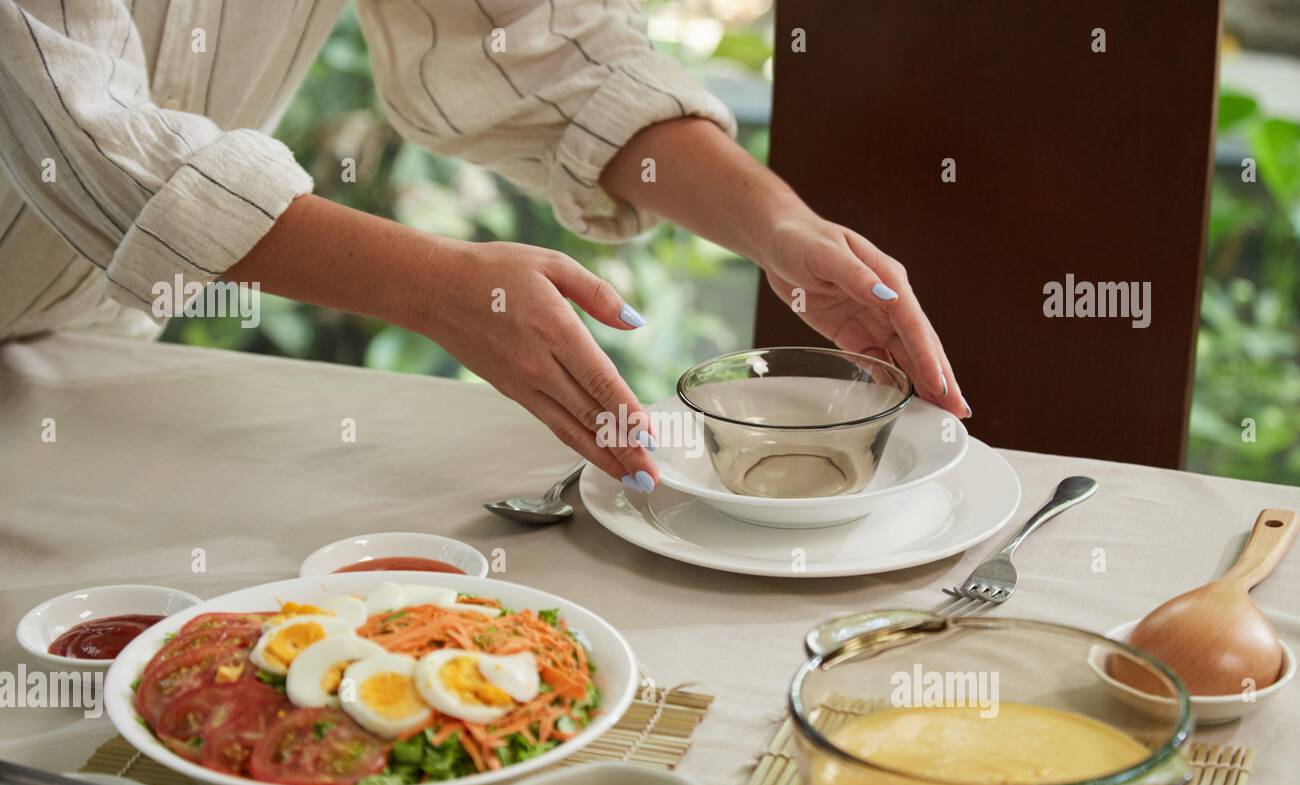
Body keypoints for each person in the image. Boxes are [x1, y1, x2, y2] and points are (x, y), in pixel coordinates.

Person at [0, 0, 969, 493]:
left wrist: (777, 223)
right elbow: (87, 133)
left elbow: (532, 46)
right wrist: (436, 285)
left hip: (90, 357)